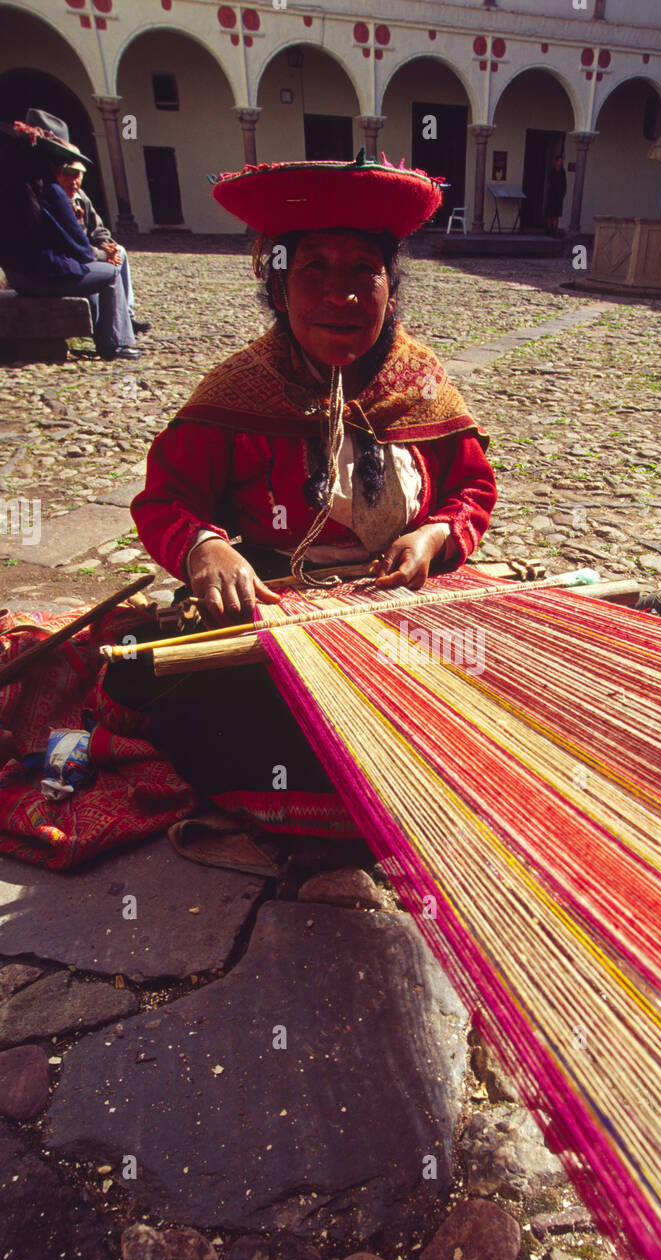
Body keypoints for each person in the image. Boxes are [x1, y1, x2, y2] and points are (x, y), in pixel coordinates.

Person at [102, 151, 496, 838]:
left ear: (389, 291)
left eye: (362, 272)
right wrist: (204, 550)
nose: (340, 295)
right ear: (279, 290)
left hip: (400, 598)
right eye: (313, 268)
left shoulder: (420, 383)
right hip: (278, 606)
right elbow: (166, 500)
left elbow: (468, 485)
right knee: (228, 705)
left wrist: (433, 536)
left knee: (491, 679)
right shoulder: (237, 392)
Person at [0, 110, 139, 361]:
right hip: (42, 277)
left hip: (17, 275)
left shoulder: (12, 185)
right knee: (108, 273)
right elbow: (80, 249)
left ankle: (100, 328)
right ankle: (117, 344)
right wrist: (103, 253)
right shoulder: (49, 189)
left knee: (87, 269)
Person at [55, 158, 150, 335]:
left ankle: (126, 316)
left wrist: (107, 246)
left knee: (120, 251)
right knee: (109, 268)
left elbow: (97, 227)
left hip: (91, 250)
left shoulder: (81, 197)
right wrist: (102, 254)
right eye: (68, 175)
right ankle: (113, 324)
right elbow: (72, 243)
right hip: (74, 257)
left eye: (77, 176)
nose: (73, 181)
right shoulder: (57, 201)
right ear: (59, 175)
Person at [545, 154, 567, 235]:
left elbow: (564, 184)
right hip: (552, 194)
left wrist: (562, 193)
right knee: (550, 213)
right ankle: (549, 229)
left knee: (556, 214)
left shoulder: (562, 172)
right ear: (556, 161)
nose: (560, 163)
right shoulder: (552, 171)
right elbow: (550, 181)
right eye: (559, 161)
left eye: (561, 161)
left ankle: (554, 230)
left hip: (559, 195)